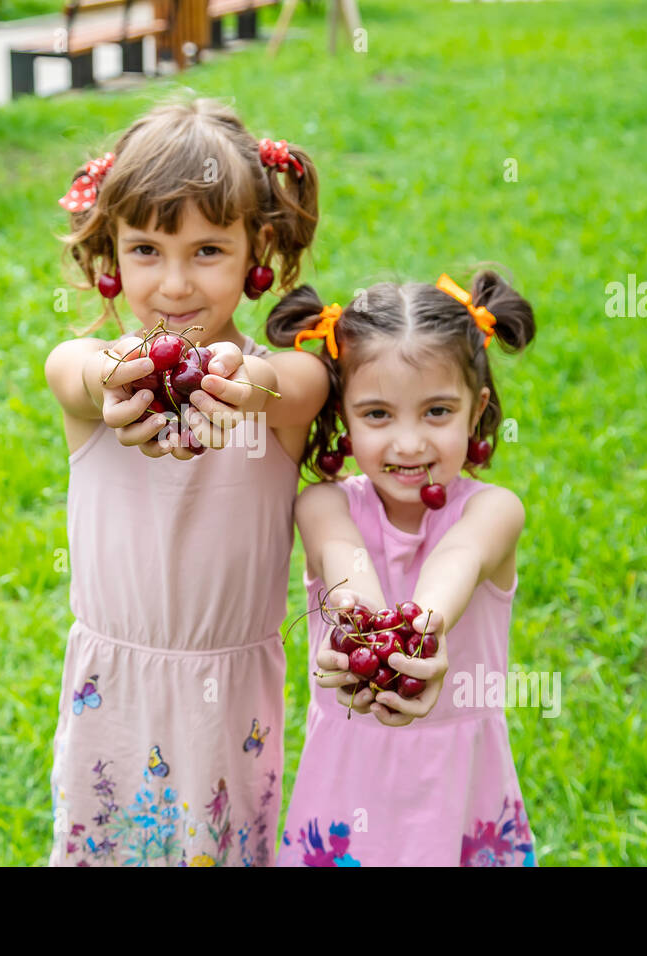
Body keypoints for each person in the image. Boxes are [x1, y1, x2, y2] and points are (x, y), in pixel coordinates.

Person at [41, 97, 330, 866]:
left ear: (257, 247)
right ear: (110, 252)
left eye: (207, 250)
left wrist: (244, 382)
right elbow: (74, 371)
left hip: (228, 700)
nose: (173, 284)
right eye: (145, 250)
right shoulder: (94, 375)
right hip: (114, 690)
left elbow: (294, 386)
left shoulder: (279, 388)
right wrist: (120, 379)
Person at [266, 272, 539, 866]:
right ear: (343, 416)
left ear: (477, 411)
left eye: (437, 411)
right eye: (378, 414)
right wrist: (363, 623)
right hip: (348, 784)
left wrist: (424, 627)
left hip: (459, 785)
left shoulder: (494, 510)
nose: (409, 443)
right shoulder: (326, 503)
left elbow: (458, 559)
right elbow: (345, 557)